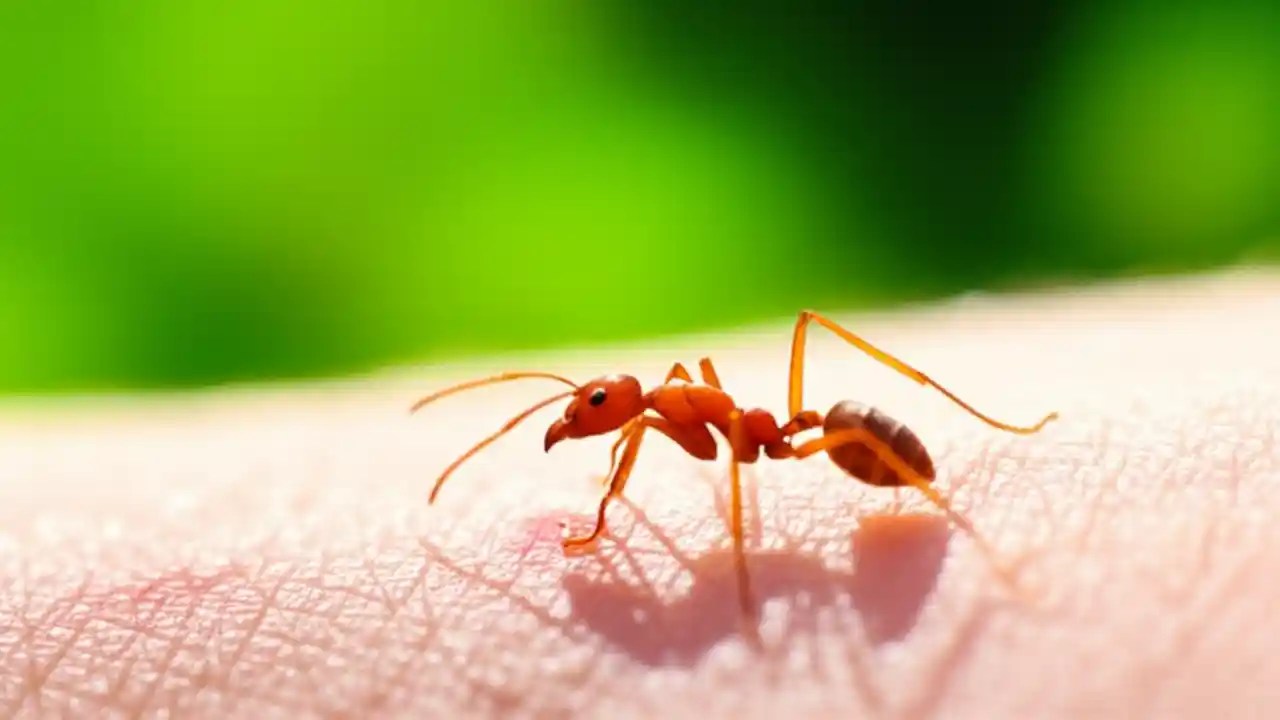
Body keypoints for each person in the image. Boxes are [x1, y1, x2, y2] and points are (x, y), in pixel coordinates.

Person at [2, 271, 1276, 718]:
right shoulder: (672, 412)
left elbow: (720, 450)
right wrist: (604, 502)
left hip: (854, 458)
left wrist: (730, 577)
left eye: (591, 410)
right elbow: (644, 424)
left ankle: (982, 520)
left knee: (819, 349)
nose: (585, 422)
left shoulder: (735, 425)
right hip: (802, 463)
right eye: (590, 414)